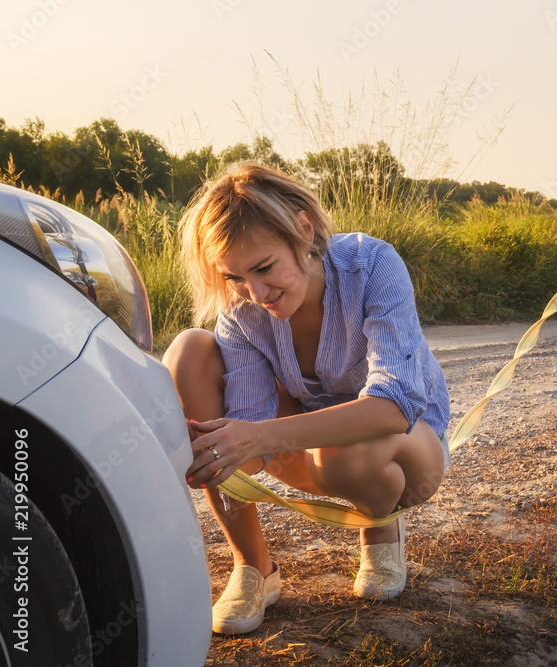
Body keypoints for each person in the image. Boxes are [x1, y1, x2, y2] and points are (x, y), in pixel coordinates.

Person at [163, 162, 450, 634]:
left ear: (303, 230)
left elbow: (395, 405)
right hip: (308, 449)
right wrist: (211, 448)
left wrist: (255, 438)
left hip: (407, 447)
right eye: (233, 276)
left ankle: (381, 524)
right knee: (189, 351)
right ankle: (254, 566)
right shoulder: (242, 309)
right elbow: (252, 455)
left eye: (264, 267)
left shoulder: (373, 263)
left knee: (348, 450)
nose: (255, 292)